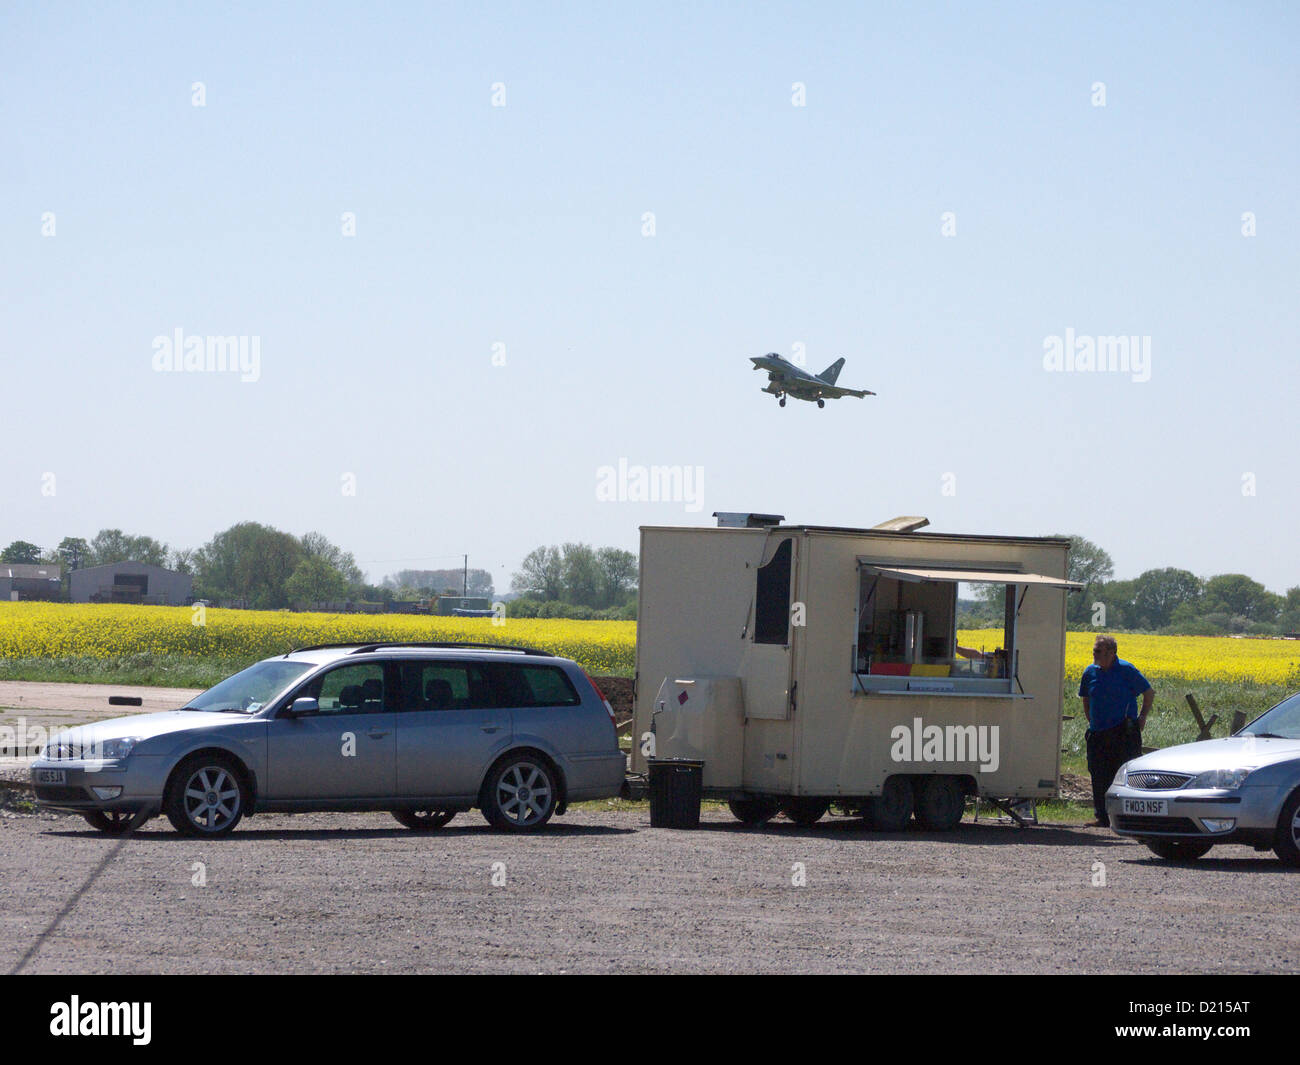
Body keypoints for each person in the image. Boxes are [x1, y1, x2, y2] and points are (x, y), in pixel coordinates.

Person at [1079, 634, 1153, 827]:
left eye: (1098, 651)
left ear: (1111, 653)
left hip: (1123, 732)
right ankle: (1102, 818)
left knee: (1124, 774)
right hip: (1098, 732)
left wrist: (1142, 716)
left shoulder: (1127, 670)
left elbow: (1148, 692)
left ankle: (1129, 818)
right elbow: (1086, 698)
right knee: (1098, 774)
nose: (1094, 654)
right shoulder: (1090, 672)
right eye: (1094, 650)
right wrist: (1091, 719)